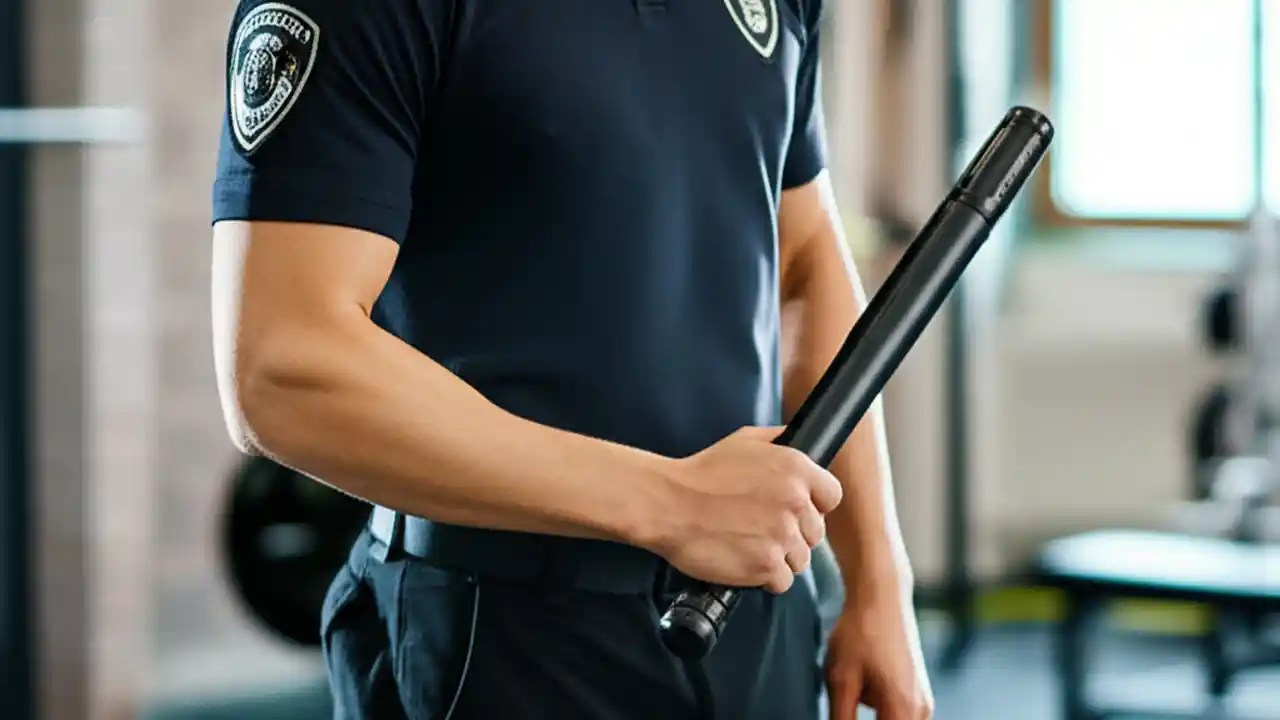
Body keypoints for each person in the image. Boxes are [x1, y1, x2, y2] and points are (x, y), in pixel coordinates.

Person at [210, 0, 933, 717]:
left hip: (755, 610)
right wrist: (670, 503)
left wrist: (877, 578)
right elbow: (286, 364)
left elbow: (801, 261)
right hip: (493, 623)